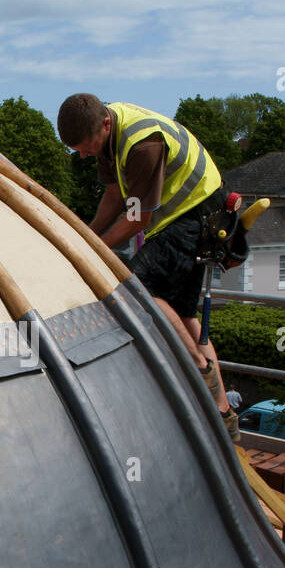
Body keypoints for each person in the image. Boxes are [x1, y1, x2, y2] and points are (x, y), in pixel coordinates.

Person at [57, 93, 240, 441]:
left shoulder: (143, 145)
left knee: (137, 289)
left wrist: (95, 249)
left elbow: (139, 216)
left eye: (85, 146)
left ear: (104, 125)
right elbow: (114, 196)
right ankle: (223, 414)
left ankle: (199, 373)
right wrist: (84, 236)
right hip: (192, 215)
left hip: (198, 215)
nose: (83, 154)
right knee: (184, 313)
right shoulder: (109, 137)